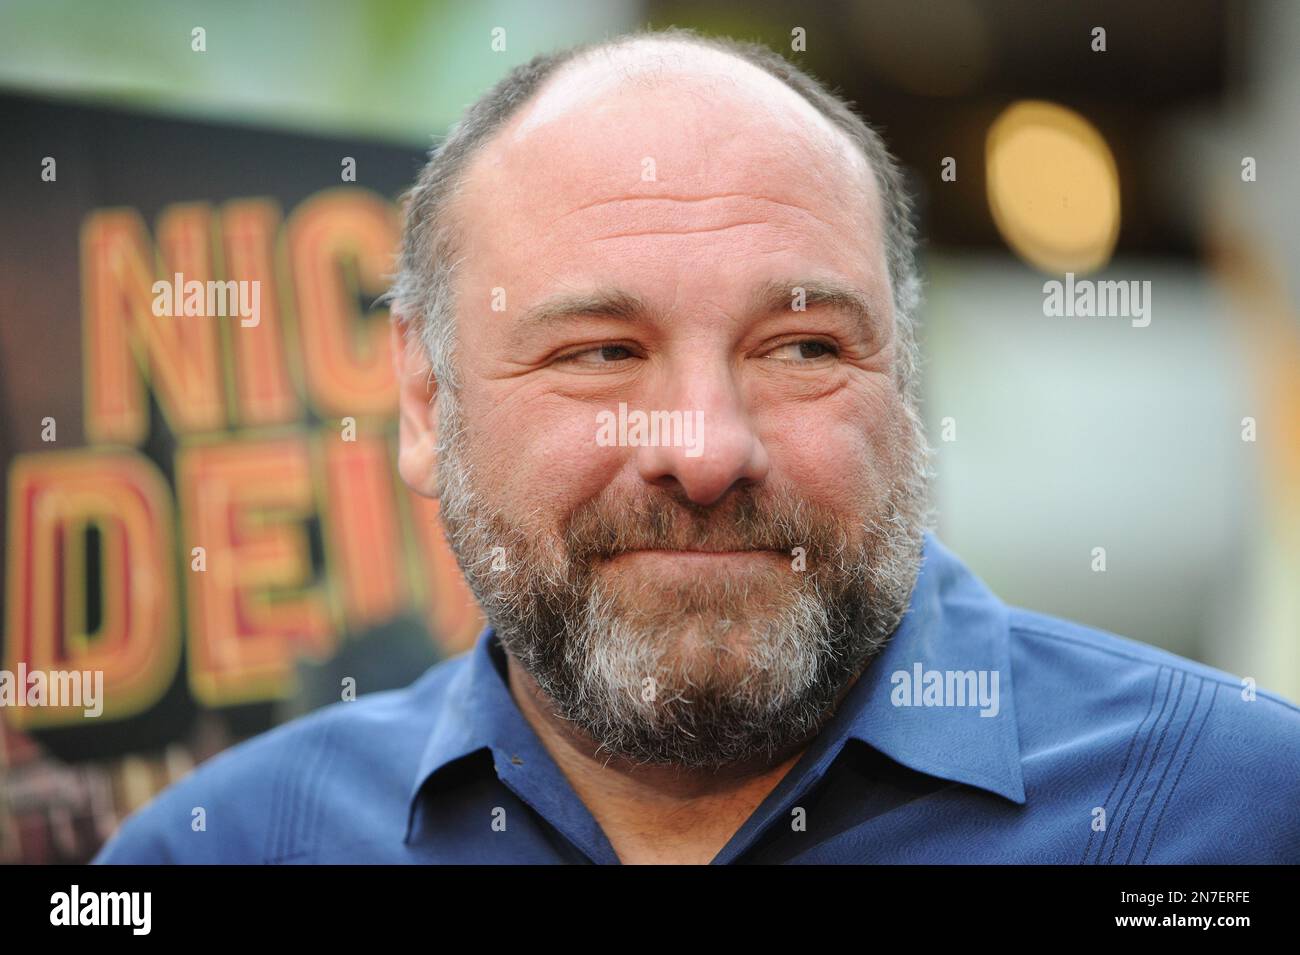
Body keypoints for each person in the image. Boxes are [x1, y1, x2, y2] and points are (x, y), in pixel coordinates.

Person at [95, 27, 1300, 865]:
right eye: (603, 351)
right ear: (424, 400)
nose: (706, 449)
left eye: (802, 347)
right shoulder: (217, 851)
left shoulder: (1242, 811)